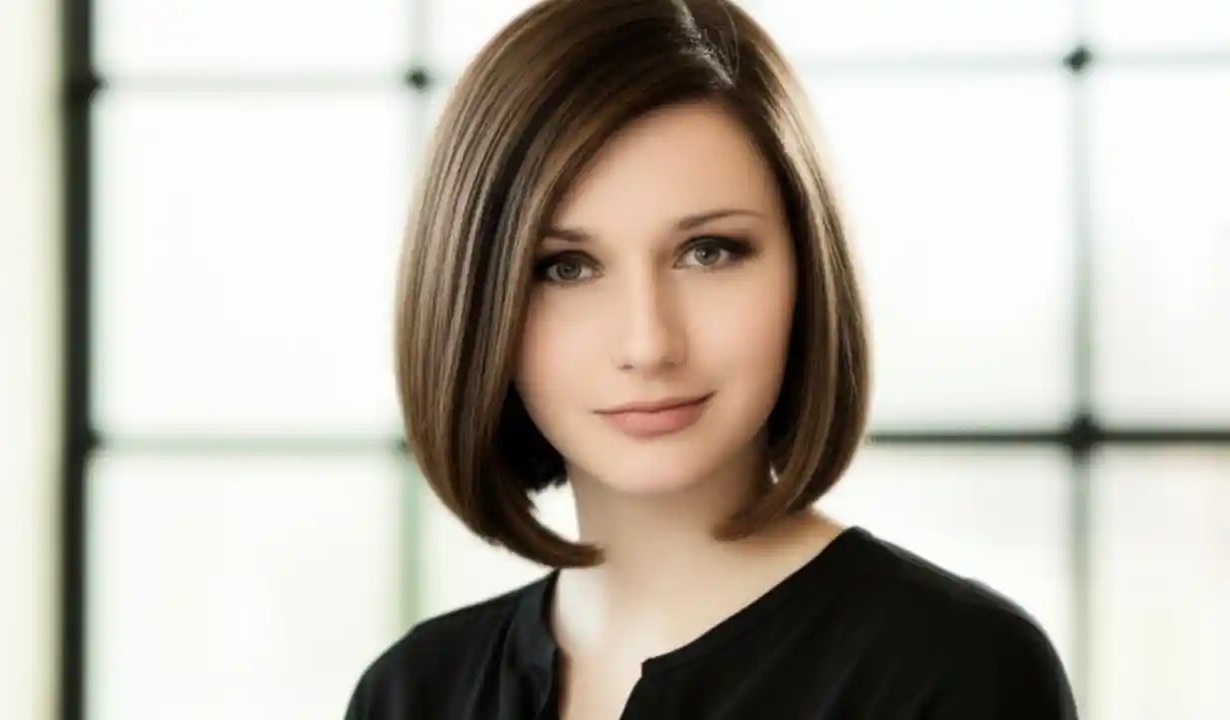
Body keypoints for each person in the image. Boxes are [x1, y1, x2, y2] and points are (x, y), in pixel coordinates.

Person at [345, 0, 1078, 717]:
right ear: (475, 297)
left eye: (709, 252)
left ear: (807, 272)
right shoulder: (413, 693)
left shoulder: (956, 673)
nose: (649, 343)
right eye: (565, 267)